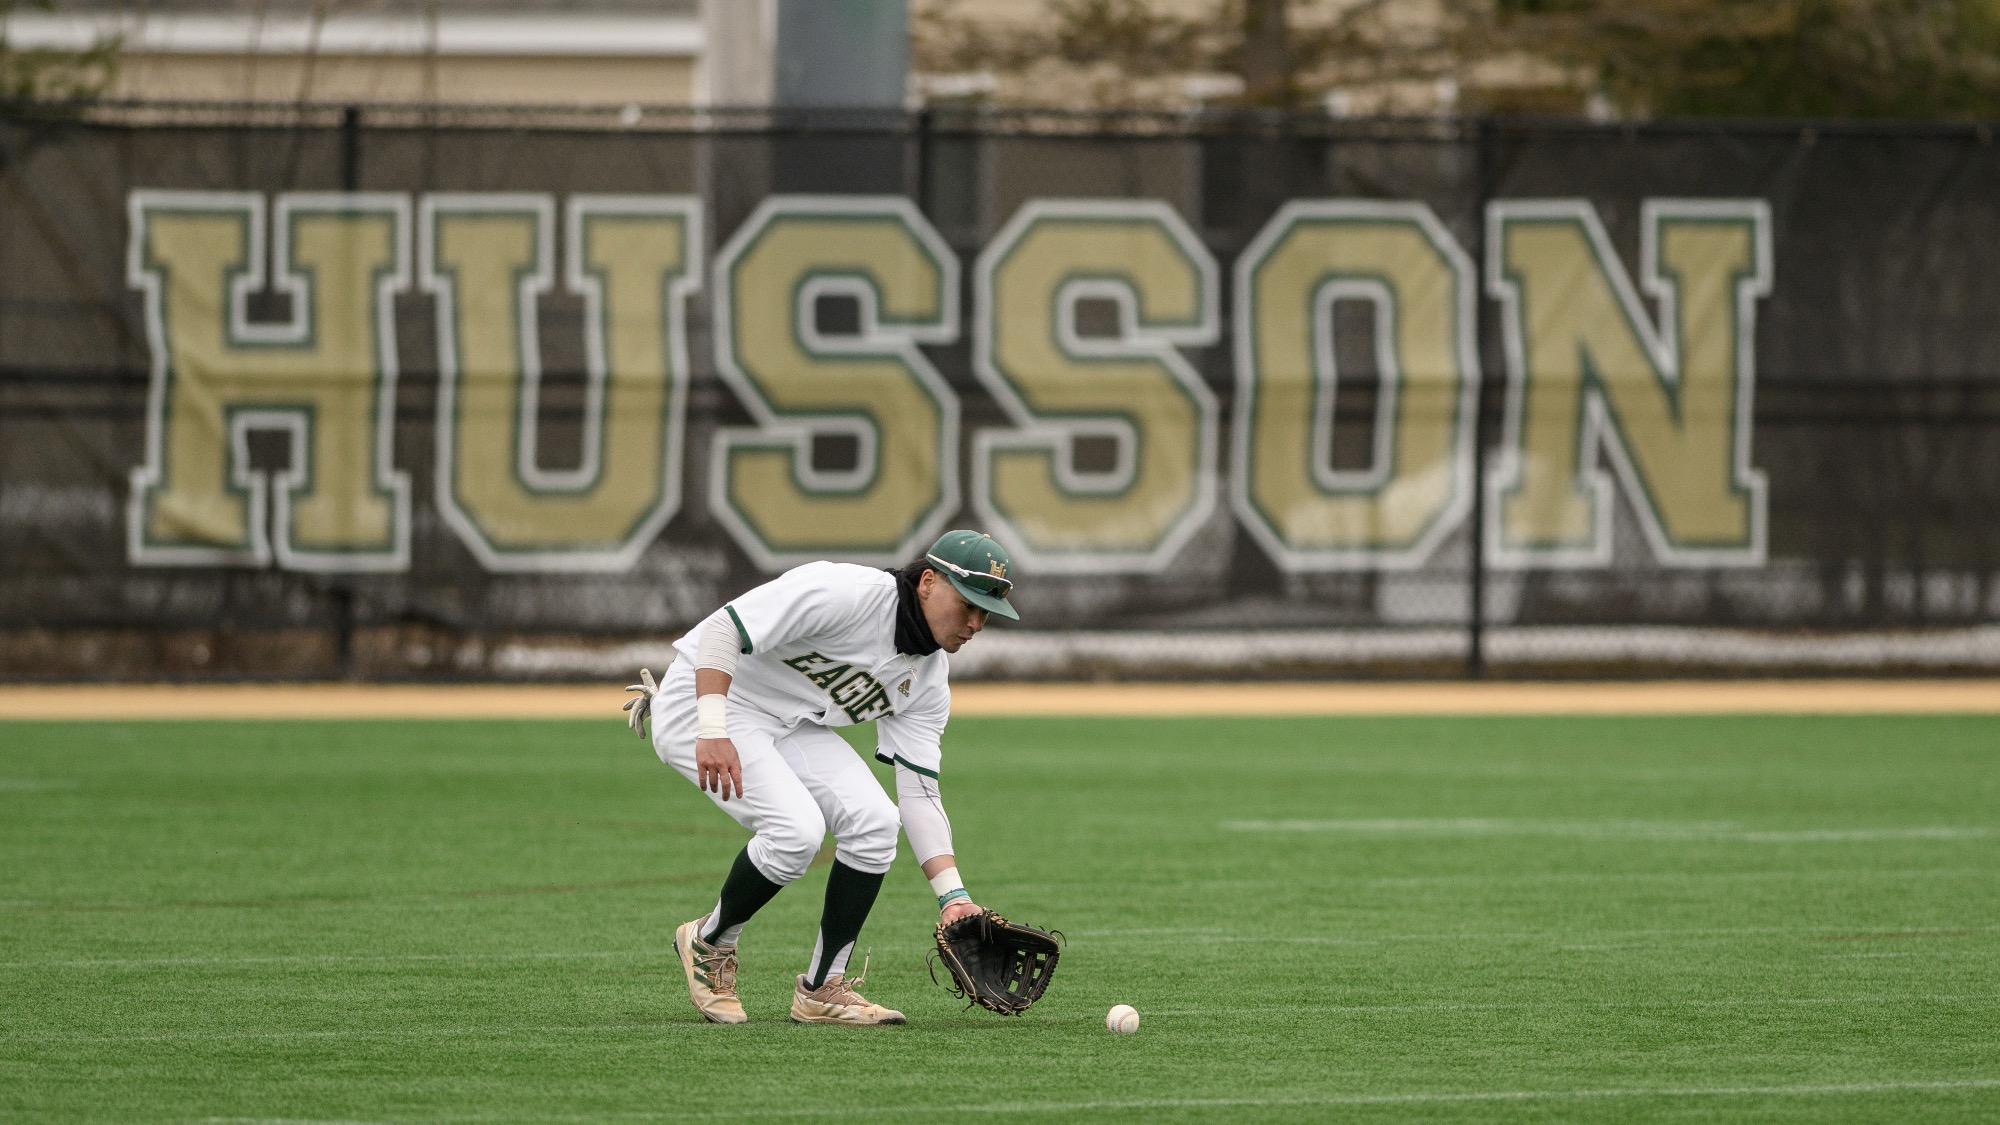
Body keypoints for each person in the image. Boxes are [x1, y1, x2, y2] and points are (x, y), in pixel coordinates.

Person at [625, 530, 1018, 1025]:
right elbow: (723, 631)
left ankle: (822, 989)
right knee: (796, 831)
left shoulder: (929, 680)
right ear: (927, 582)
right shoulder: (844, 594)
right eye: (968, 605)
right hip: (702, 704)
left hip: (786, 720)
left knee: (876, 823)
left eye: (987, 613)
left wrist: (953, 897)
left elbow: (919, 790)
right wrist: (712, 726)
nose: (976, 623)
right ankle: (709, 941)